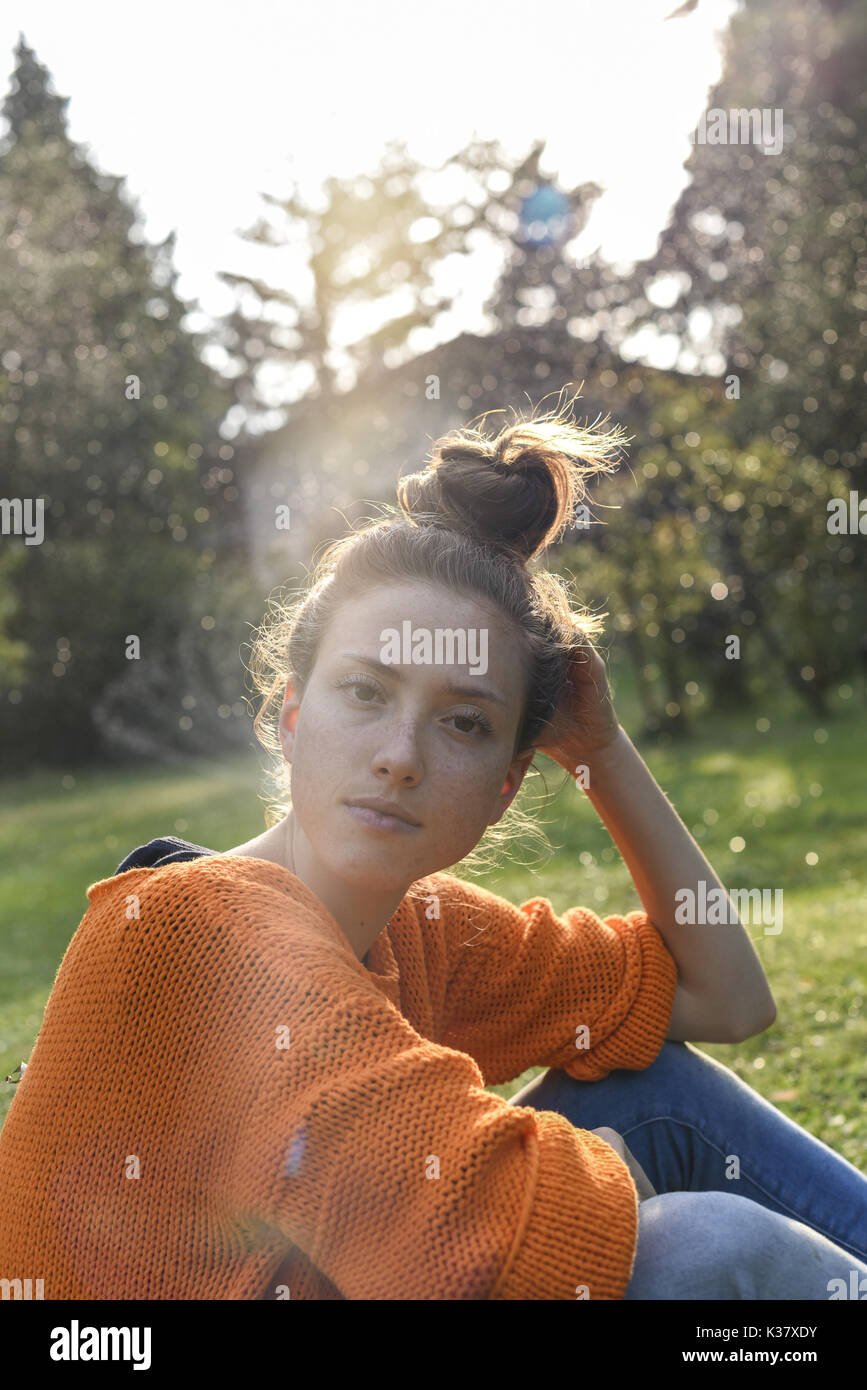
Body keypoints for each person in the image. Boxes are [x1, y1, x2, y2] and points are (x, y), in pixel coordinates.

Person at [1, 400, 865, 1301]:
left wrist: (601, 753)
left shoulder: (425, 932)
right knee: (708, 1247)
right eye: (365, 693)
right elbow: (498, 1248)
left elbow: (725, 996)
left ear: (505, 784)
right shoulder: (191, 931)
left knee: (656, 1092)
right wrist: (588, 1167)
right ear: (289, 718)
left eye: (462, 722)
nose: (400, 757)